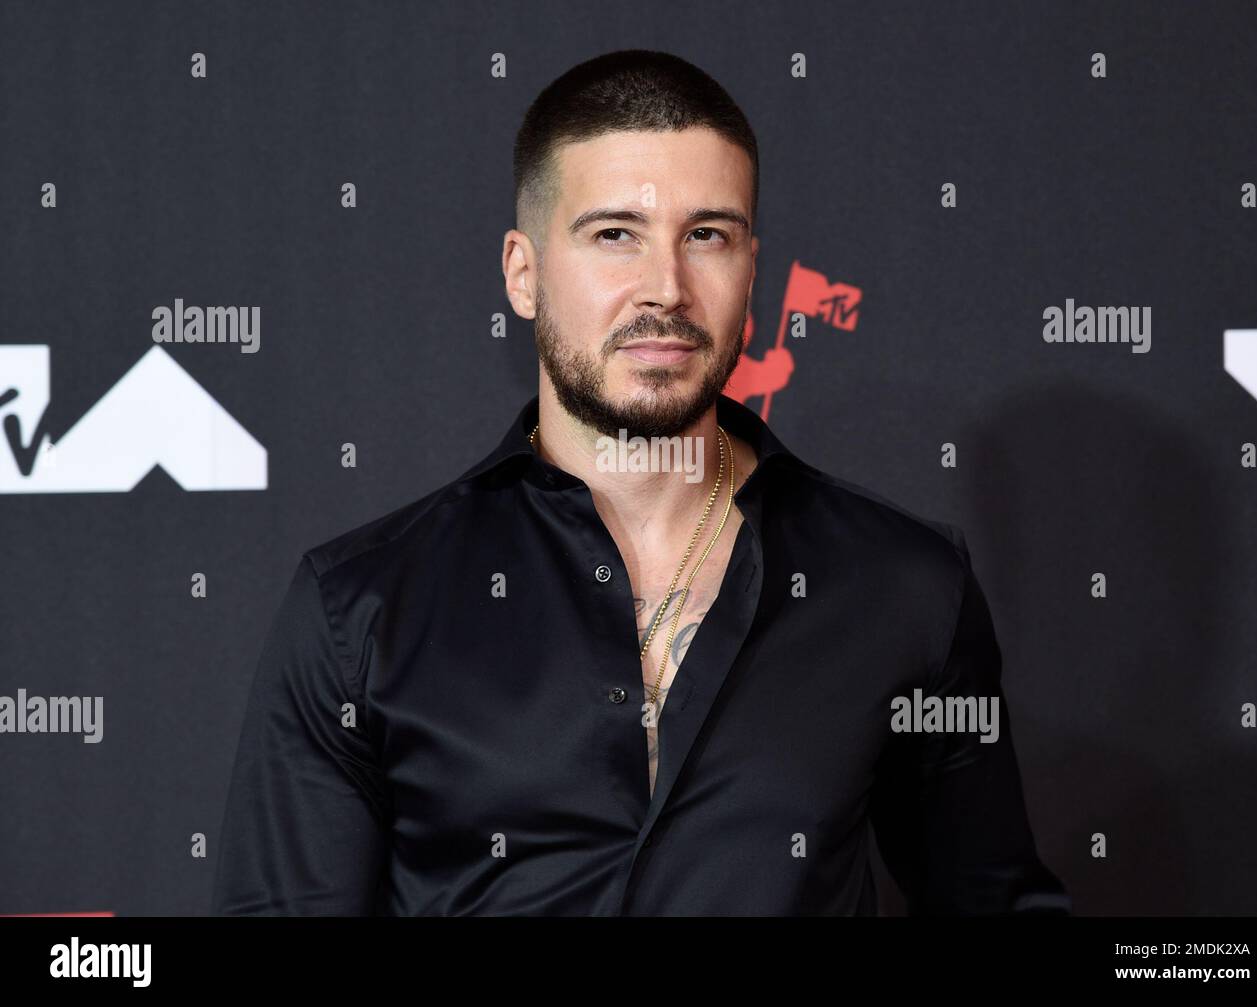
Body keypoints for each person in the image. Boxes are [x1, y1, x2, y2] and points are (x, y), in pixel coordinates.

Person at [211, 48, 1069, 916]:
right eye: (614, 233)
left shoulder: (901, 586)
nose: (666, 287)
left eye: (707, 235)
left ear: (751, 271)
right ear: (523, 273)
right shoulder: (360, 609)